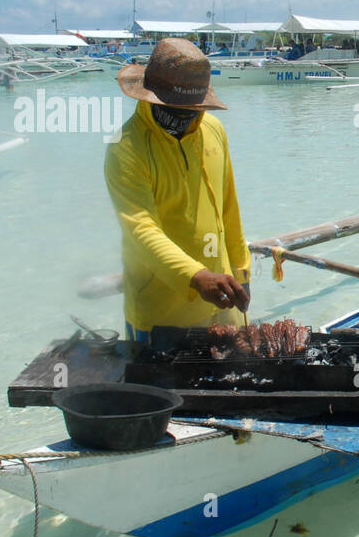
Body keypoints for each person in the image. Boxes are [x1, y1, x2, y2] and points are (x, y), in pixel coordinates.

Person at [105, 38, 251, 341]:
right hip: (161, 315)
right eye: (179, 109)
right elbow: (142, 230)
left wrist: (241, 270)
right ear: (150, 97)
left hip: (222, 302)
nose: (189, 117)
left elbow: (229, 208)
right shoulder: (126, 148)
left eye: (194, 109)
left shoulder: (213, 130)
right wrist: (196, 277)